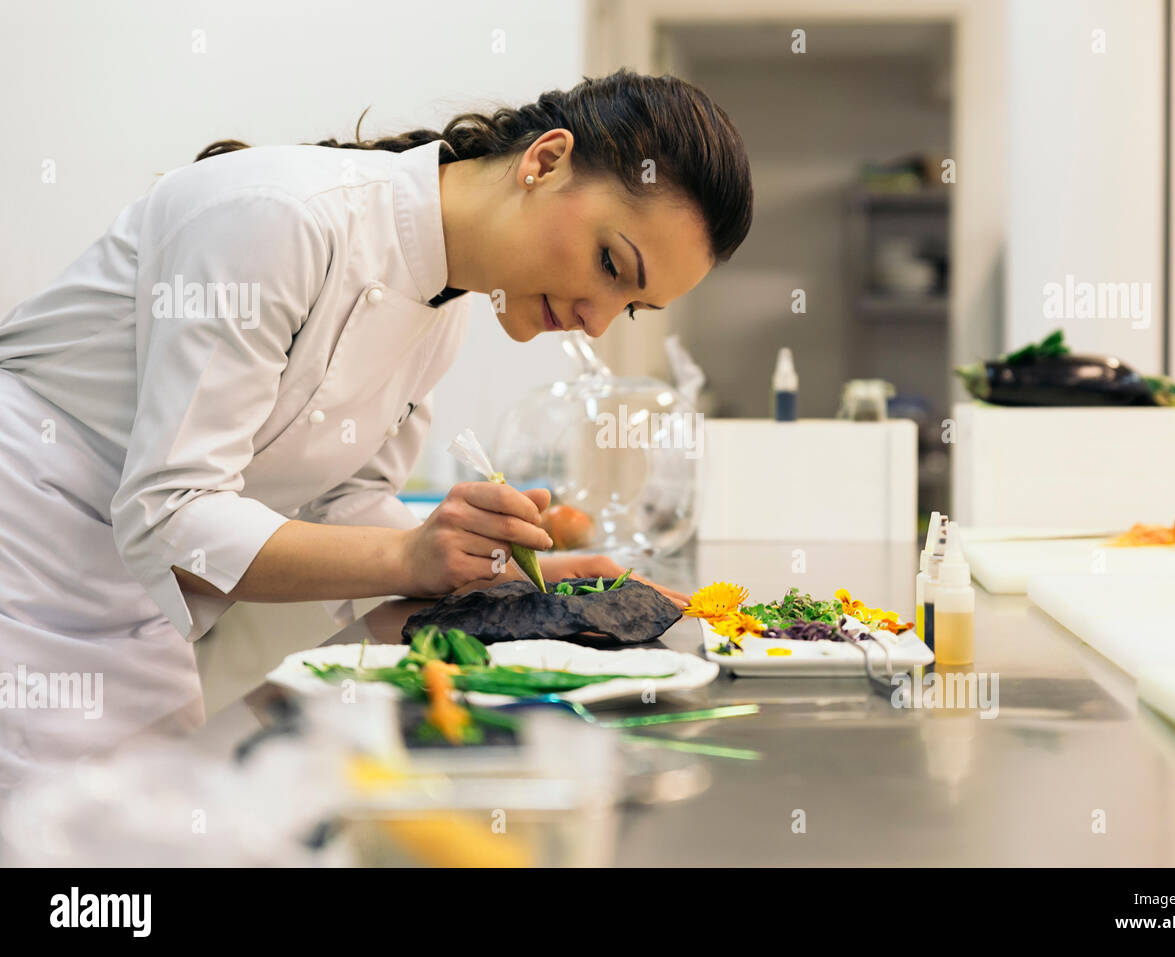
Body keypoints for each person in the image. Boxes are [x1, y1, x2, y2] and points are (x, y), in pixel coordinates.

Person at [0, 68, 754, 786]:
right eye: (609, 262)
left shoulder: (444, 309)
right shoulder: (275, 216)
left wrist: (493, 579)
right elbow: (173, 520)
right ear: (547, 160)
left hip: (131, 613)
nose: (595, 319)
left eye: (630, 306)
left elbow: (346, 500)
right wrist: (410, 555)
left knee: (130, 839)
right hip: (24, 557)